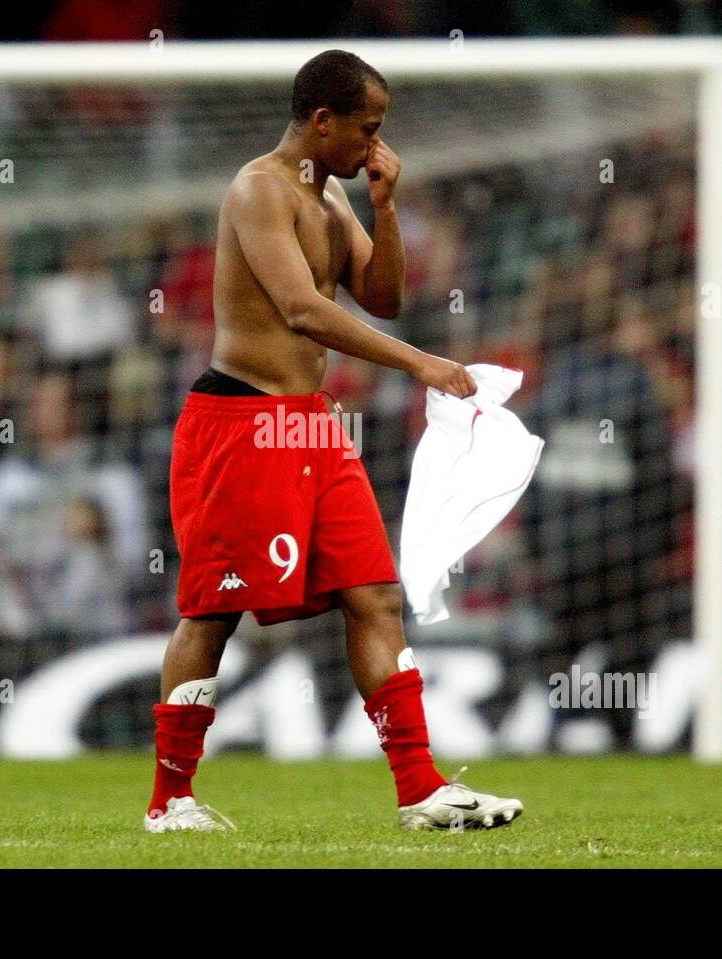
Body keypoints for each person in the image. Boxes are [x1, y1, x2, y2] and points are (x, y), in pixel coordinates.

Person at [147, 50, 522, 833]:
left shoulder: (332, 196)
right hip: (242, 421)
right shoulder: (259, 189)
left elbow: (382, 295)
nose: (374, 144)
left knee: (375, 594)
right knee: (215, 611)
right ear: (323, 120)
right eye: (367, 128)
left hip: (310, 424)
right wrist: (419, 363)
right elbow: (302, 309)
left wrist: (384, 207)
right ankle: (169, 798)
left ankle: (420, 789)